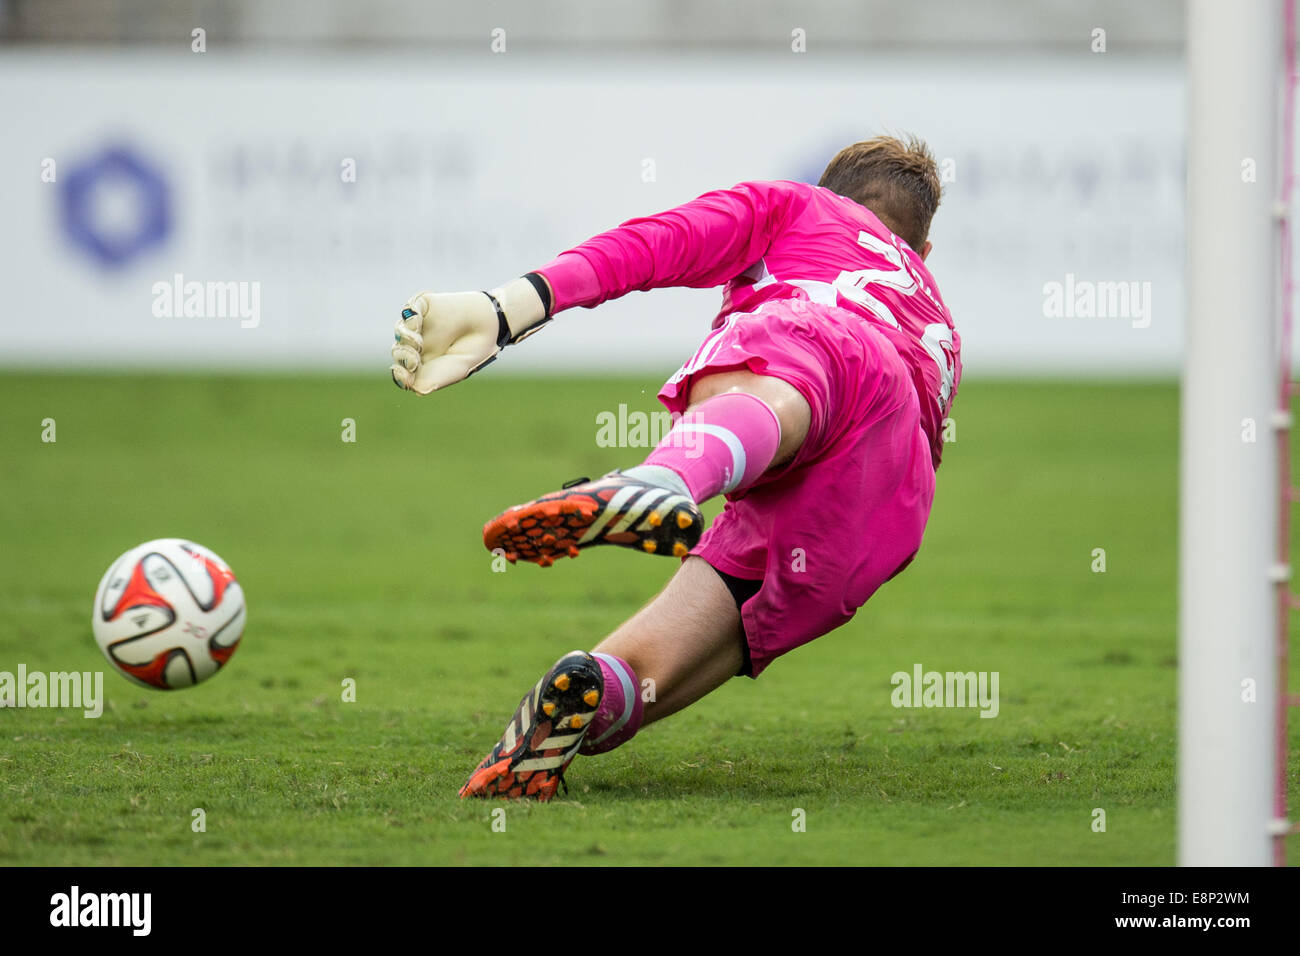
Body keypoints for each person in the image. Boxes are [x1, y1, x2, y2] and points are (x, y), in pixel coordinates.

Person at [390, 134, 961, 801]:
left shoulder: (801, 207)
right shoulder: (938, 317)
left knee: (778, 374)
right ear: (922, 252)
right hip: (888, 500)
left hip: (825, 345)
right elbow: (894, 421)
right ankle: (604, 692)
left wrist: (509, 308)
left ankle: (663, 481)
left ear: (827, 192)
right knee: (727, 620)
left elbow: (660, 243)